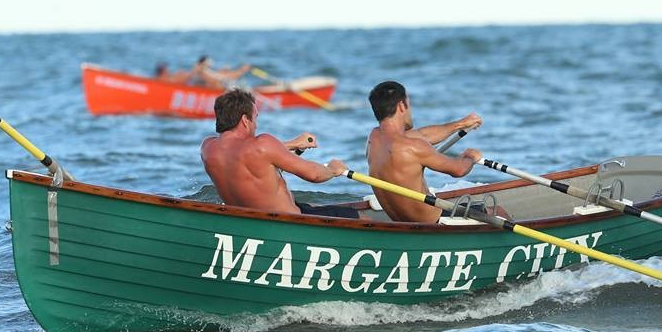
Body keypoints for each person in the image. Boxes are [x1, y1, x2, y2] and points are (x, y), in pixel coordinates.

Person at [201, 88, 360, 218]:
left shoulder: (208, 148)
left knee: (309, 206)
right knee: (359, 216)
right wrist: (333, 169)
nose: (256, 125)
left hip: (247, 220)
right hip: (289, 222)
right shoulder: (262, 144)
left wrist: (295, 145)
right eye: (255, 118)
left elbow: (251, 157)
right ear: (244, 120)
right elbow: (314, 175)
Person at [366, 80, 491, 223]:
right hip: (432, 222)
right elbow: (459, 170)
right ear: (401, 106)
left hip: (401, 222)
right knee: (493, 209)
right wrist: (470, 157)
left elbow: (422, 135)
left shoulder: (373, 139)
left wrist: (461, 124)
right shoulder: (414, 147)